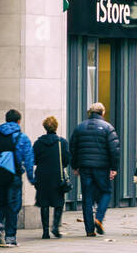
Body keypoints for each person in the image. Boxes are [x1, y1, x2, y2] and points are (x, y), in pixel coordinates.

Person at [69, 102, 120, 238]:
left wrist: (75, 166)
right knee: (106, 192)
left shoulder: (80, 127)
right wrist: (114, 168)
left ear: (89, 112)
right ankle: (99, 217)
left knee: (87, 197)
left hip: (85, 167)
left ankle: (89, 230)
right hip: (102, 167)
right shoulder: (107, 127)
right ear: (102, 113)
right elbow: (114, 149)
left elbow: (73, 148)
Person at [0, 109, 34, 247]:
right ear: (18, 121)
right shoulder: (21, 137)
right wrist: (31, 178)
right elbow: (28, 159)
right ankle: (10, 237)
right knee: (13, 206)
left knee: (1, 202)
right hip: (14, 176)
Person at [32, 116, 70, 239]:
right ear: (56, 127)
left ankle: (45, 231)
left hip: (42, 175)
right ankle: (55, 227)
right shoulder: (62, 142)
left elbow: (34, 160)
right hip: (57, 175)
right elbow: (66, 160)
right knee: (58, 202)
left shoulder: (38, 143)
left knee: (44, 203)